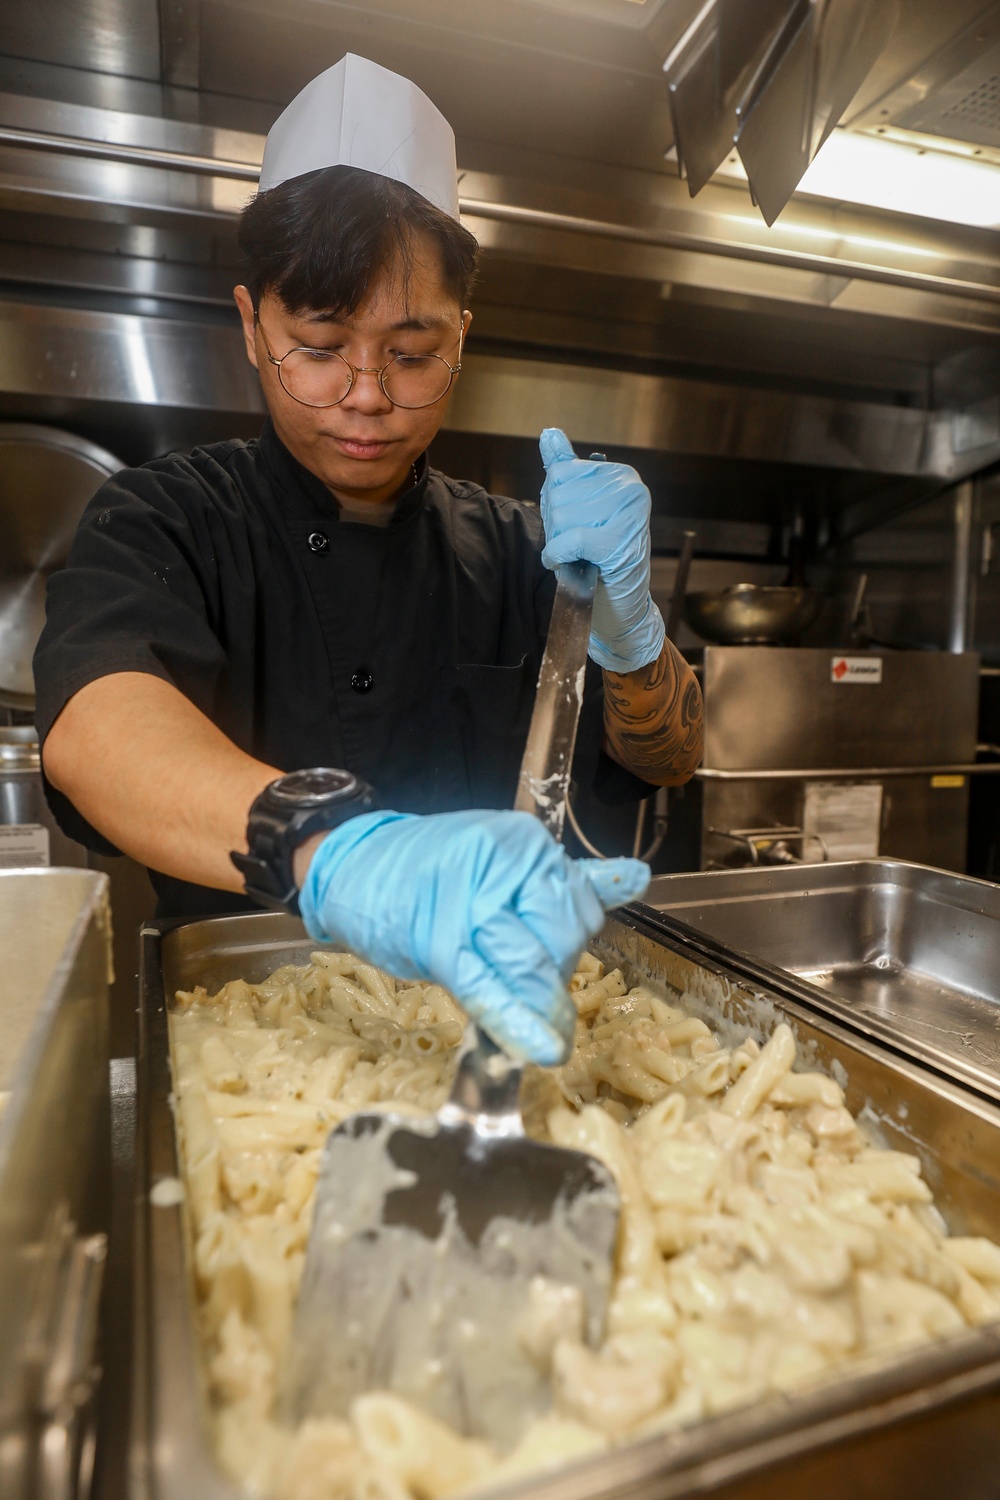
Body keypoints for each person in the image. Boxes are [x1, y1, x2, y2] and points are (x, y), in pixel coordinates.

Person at [34, 55, 703, 1065]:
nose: (366, 395)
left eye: (411, 352)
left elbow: (669, 757)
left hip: (500, 1027)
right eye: (318, 346)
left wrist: (630, 633)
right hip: (254, 1034)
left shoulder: (526, 549)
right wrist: (336, 853)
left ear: (461, 336)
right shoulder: (163, 518)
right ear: (251, 324)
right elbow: (97, 736)